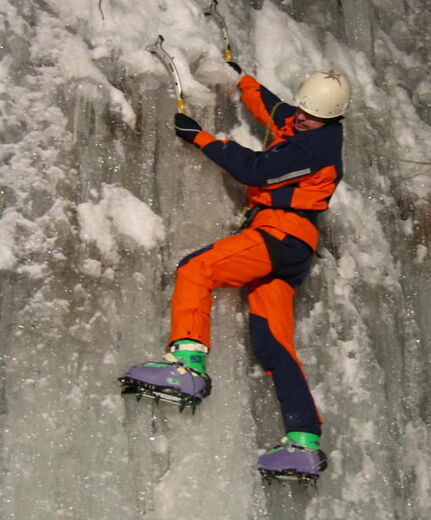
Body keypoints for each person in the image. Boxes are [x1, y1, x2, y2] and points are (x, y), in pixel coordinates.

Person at [119, 65, 351, 481]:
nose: (300, 117)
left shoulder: (316, 148)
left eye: (310, 115)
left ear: (331, 119)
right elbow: (275, 110)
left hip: (280, 234)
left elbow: (255, 170)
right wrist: (240, 77)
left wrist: (200, 138)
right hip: (294, 248)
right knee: (275, 344)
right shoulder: (305, 123)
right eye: (302, 109)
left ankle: (188, 367)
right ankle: (303, 441)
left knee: (196, 268)